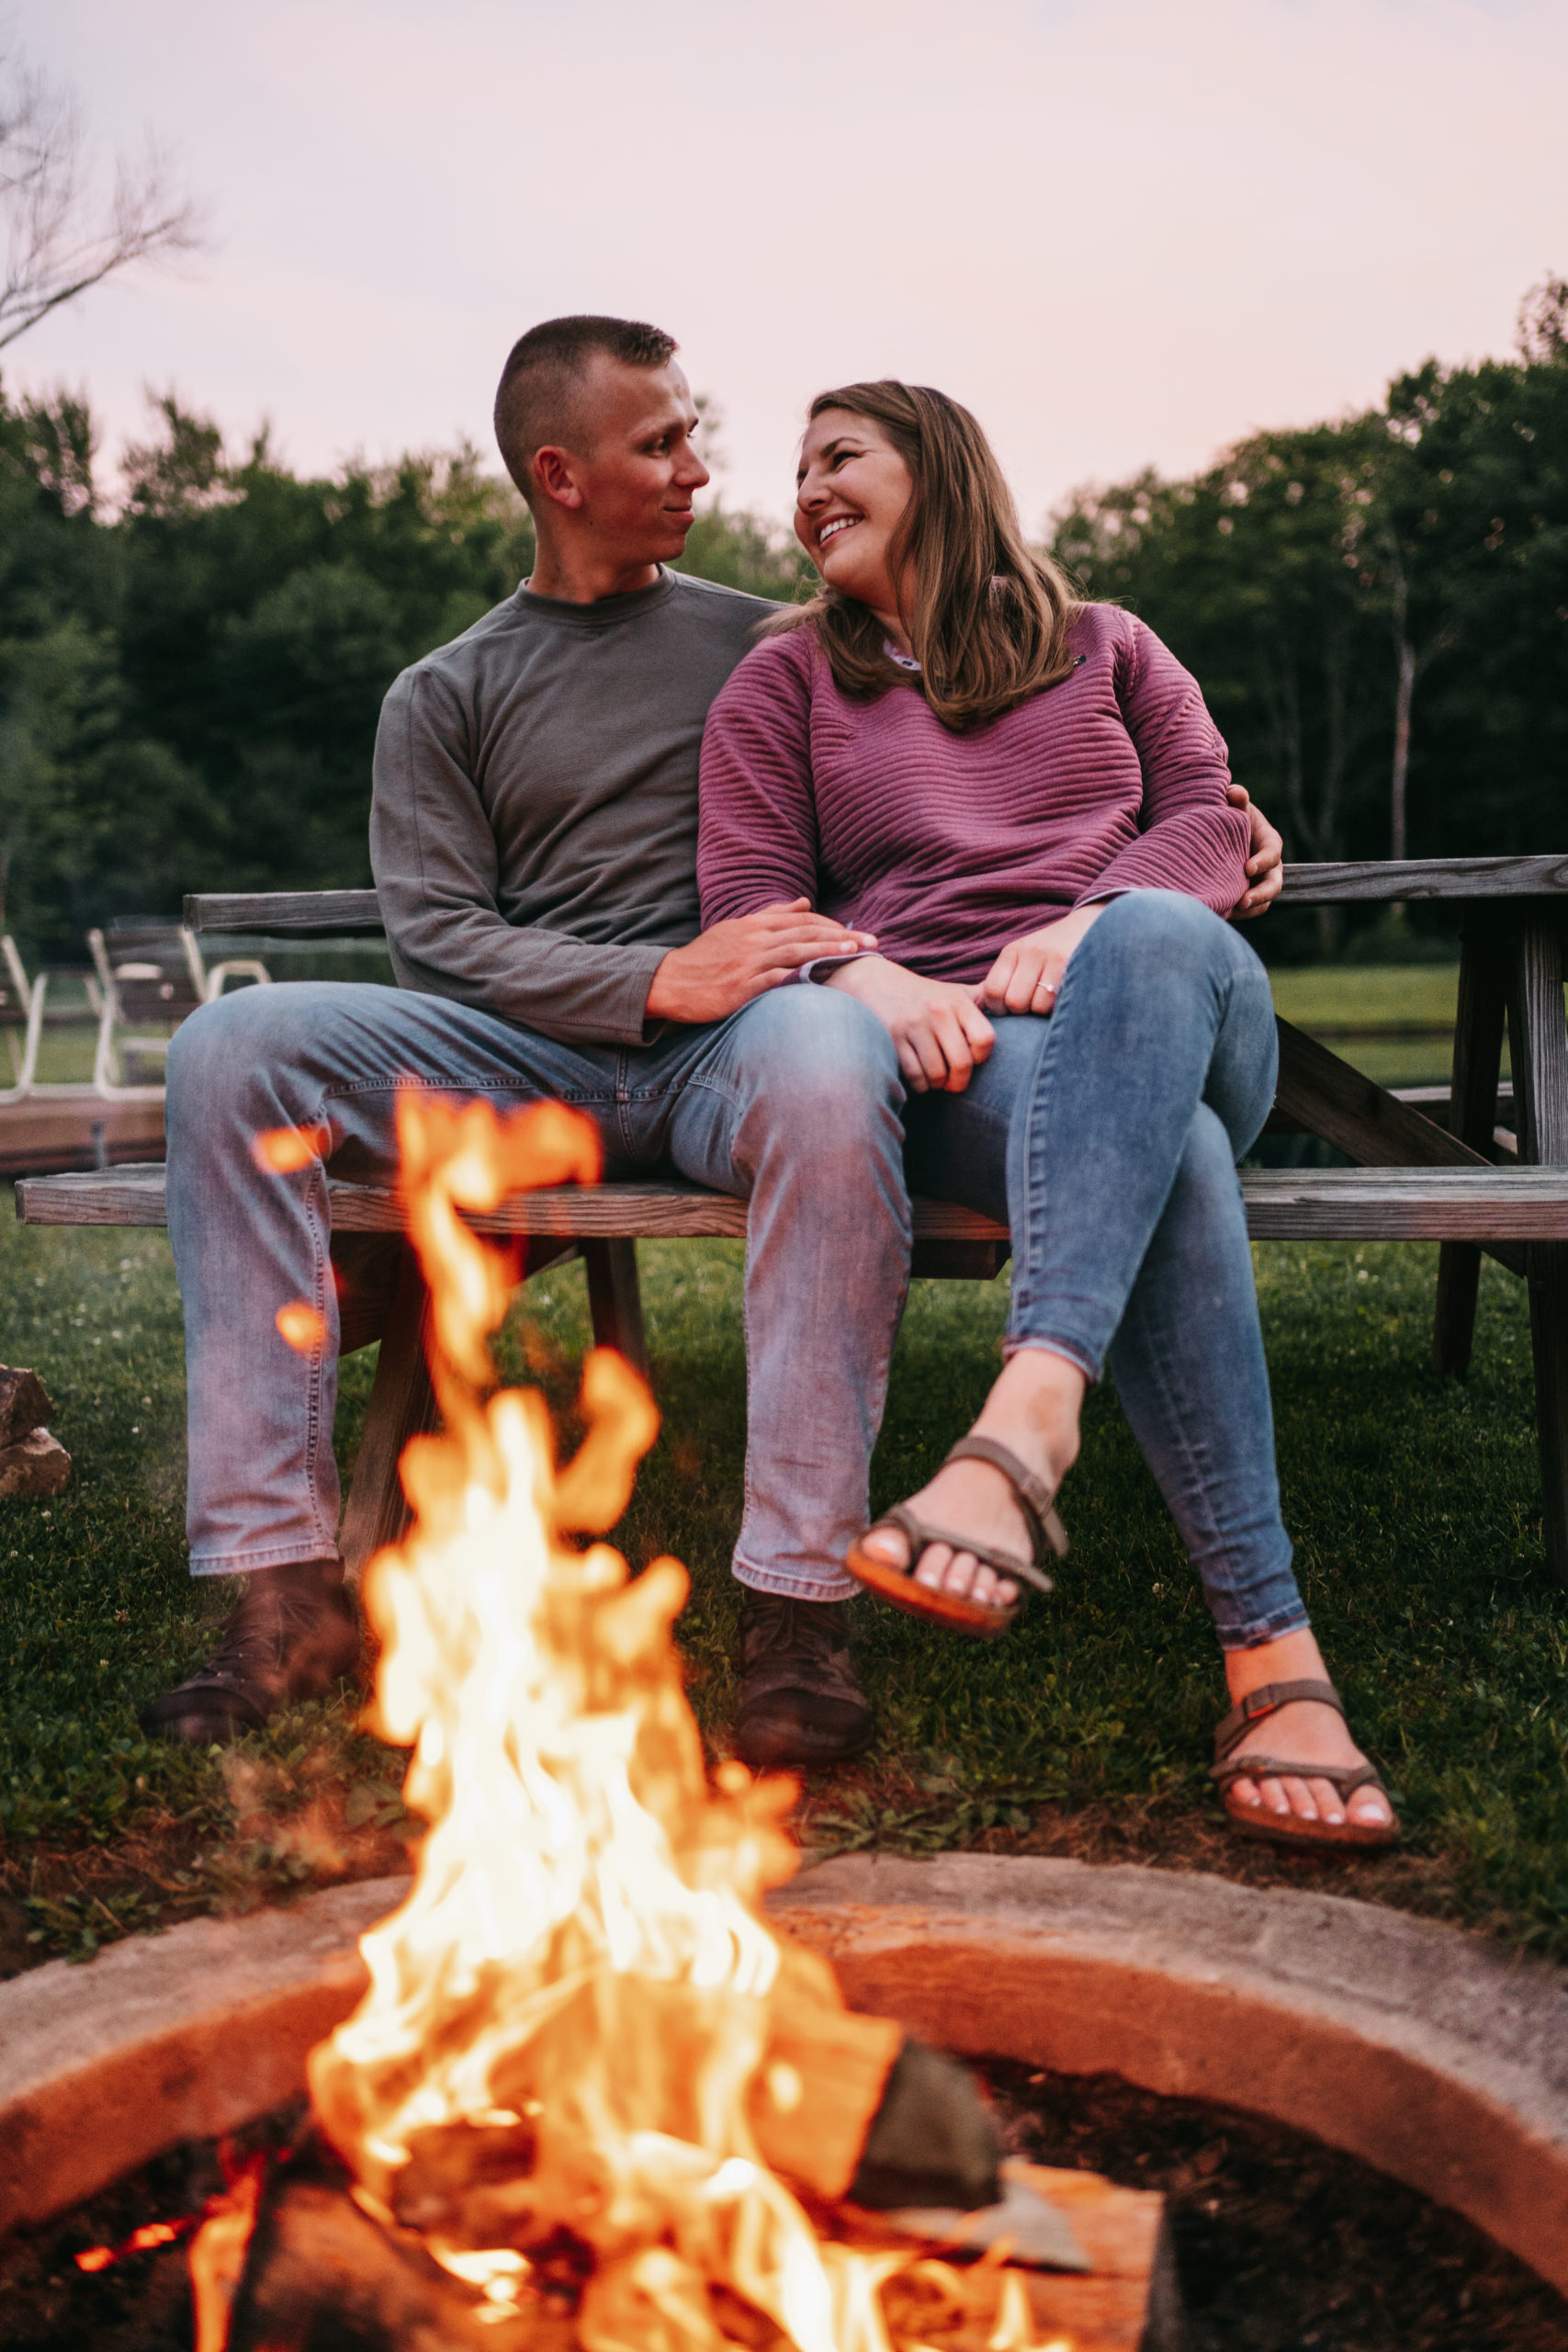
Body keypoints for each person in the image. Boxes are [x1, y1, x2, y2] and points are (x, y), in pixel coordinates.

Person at [142, 317, 1283, 1778]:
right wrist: (652, 978)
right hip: (524, 1054)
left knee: (822, 1055)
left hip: (749, 1036)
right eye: (662, 442)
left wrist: (1207, 845)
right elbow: (438, 938)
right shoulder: (444, 693)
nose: (704, 467)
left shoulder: (789, 641)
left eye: (699, 433)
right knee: (229, 1045)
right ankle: (275, 1591)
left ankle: (799, 1609)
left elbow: (1057, 756)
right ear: (560, 475)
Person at [697, 380, 1396, 1849]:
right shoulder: (785, 681)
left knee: (1154, 941)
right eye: (797, 471)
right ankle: (1271, 1662)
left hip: (1170, 1002)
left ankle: (1023, 1417)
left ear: (940, 467)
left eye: (840, 457)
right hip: (965, 1062)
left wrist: (1090, 927)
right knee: (1170, 1157)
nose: (808, 491)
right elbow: (751, 895)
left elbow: (1208, 818)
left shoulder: (1108, 642)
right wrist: (874, 980)